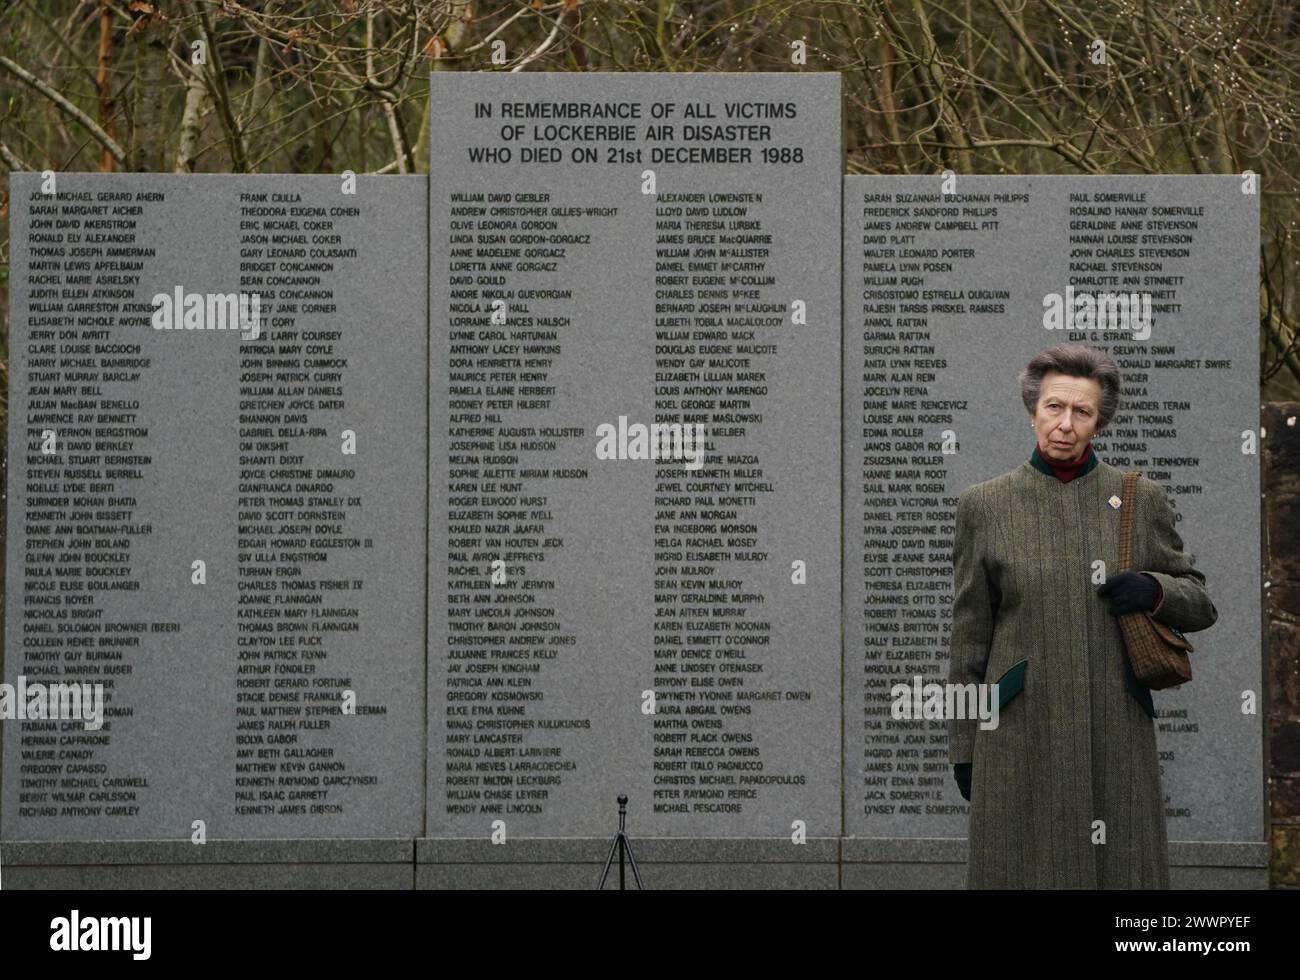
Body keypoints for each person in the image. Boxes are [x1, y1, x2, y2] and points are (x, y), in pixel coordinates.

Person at [945, 344, 1218, 888]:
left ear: (1100, 421)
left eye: (1082, 412)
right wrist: (963, 743)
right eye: (1053, 407)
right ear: (1032, 410)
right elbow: (969, 634)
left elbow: (1201, 603)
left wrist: (1154, 588)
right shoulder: (985, 505)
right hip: (1019, 729)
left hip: (1114, 725)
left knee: (1121, 871)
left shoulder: (1141, 500)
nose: (1065, 424)